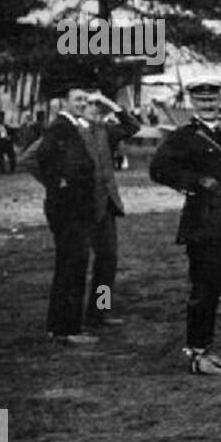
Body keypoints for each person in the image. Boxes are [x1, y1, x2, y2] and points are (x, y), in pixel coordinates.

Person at [149, 78, 221, 375]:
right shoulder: (185, 136)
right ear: (193, 103)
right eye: (203, 100)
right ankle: (196, 353)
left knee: (220, 286)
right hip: (204, 221)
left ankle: (207, 347)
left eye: (214, 99)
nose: (210, 105)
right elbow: (159, 169)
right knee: (203, 288)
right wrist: (194, 183)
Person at [23, 87, 105, 344]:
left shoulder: (71, 126)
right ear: (64, 103)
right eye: (77, 100)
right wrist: (56, 183)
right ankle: (67, 329)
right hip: (68, 209)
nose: (82, 104)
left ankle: (62, 326)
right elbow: (39, 157)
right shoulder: (60, 127)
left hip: (75, 208)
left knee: (72, 265)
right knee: (72, 266)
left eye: (85, 100)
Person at [80, 91, 141, 331]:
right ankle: (72, 319)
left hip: (106, 208)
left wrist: (110, 104)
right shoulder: (71, 132)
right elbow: (33, 158)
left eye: (98, 106)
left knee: (107, 262)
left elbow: (133, 126)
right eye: (90, 105)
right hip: (82, 209)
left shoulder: (106, 132)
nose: (95, 110)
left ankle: (99, 313)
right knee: (76, 265)